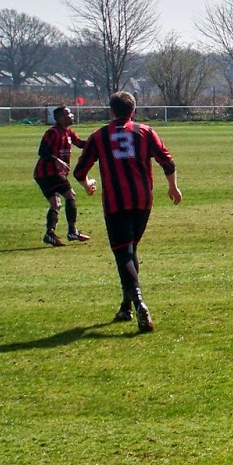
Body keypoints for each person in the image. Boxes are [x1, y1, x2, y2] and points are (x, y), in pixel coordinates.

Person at [73, 92, 181, 332]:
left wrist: (88, 183)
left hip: (115, 203)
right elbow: (168, 162)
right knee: (130, 251)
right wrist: (173, 187)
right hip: (143, 200)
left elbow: (79, 171)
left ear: (111, 111)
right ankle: (126, 306)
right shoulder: (145, 131)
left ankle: (139, 302)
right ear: (133, 110)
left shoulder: (99, 136)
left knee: (123, 254)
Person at [35, 105, 90, 245]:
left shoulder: (69, 132)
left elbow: (81, 144)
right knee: (70, 195)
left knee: (56, 203)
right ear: (60, 118)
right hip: (48, 172)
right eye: (68, 113)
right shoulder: (52, 132)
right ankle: (72, 232)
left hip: (45, 175)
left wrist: (96, 140)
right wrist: (57, 160)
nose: (71, 115)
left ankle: (50, 233)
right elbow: (42, 151)